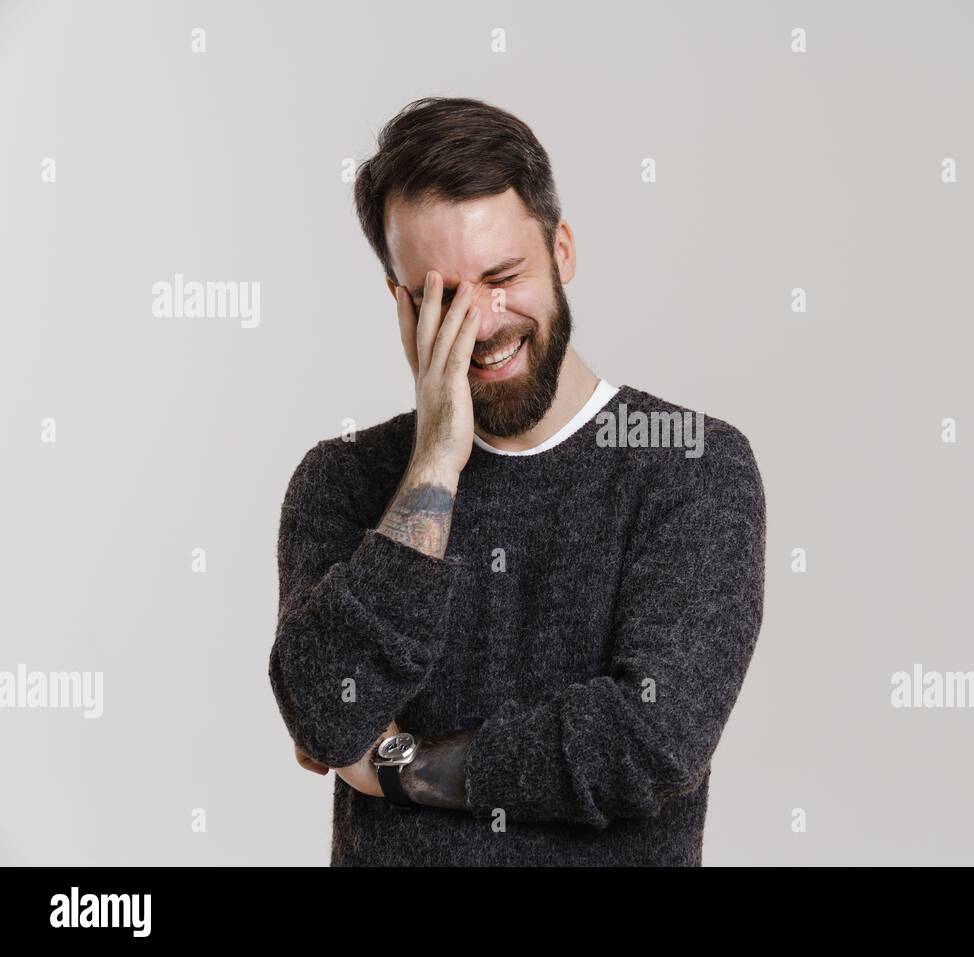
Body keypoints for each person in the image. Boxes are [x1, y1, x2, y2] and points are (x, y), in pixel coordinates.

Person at [268, 96, 766, 866]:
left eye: (504, 275)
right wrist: (436, 459)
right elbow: (325, 717)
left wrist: (401, 767)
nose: (486, 319)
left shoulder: (692, 466)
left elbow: (645, 744)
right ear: (401, 304)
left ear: (562, 250)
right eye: (443, 295)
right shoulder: (343, 479)